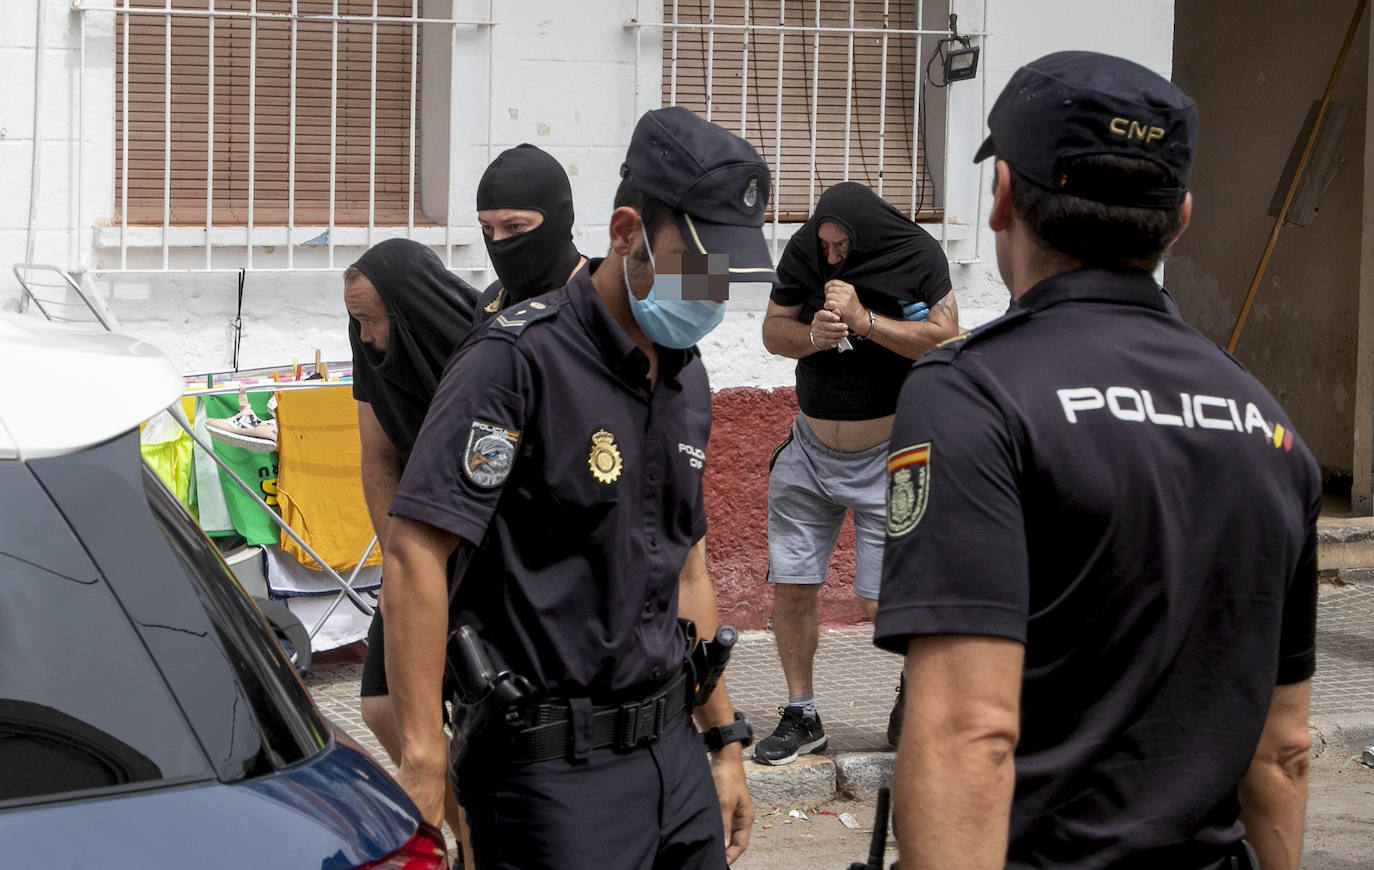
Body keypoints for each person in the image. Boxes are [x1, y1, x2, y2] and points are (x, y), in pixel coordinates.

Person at [874, 50, 1319, 870]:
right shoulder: (1272, 428)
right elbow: (1282, 750)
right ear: (1180, 217)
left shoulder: (973, 393)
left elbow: (970, 732)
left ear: (1004, 194)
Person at [380, 106, 773, 868]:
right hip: (552, 777)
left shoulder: (686, 379)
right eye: (695, 264)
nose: (712, 290)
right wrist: (425, 758)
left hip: (673, 757)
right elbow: (415, 553)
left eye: (725, 270)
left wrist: (722, 742)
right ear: (625, 230)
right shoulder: (515, 364)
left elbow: (685, 570)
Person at [755, 181, 960, 764]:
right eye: (824, 243)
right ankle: (801, 713)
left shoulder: (918, 253)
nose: (830, 256)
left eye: (841, 246)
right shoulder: (804, 250)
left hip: (891, 457)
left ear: (865, 234)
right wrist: (812, 337)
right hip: (809, 453)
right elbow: (773, 332)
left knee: (879, 602)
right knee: (792, 588)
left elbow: (946, 339)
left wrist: (865, 320)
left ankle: (917, 686)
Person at [345, 237, 479, 862]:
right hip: (416, 546)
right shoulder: (369, 350)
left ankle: (483, 841)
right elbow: (378, 460)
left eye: (372, 319)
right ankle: (460, 830)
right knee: (381, 705)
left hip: (483, 552)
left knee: (478, 725)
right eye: (356, 321)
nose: (365, 336)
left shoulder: (483, 344)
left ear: (410, 308)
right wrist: (397, 560)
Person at [474, 143, 589, 318]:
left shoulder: (599, 305)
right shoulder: (493, 301)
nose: (497, 242)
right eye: (487, 228)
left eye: (515, 226)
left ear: (557, 220)